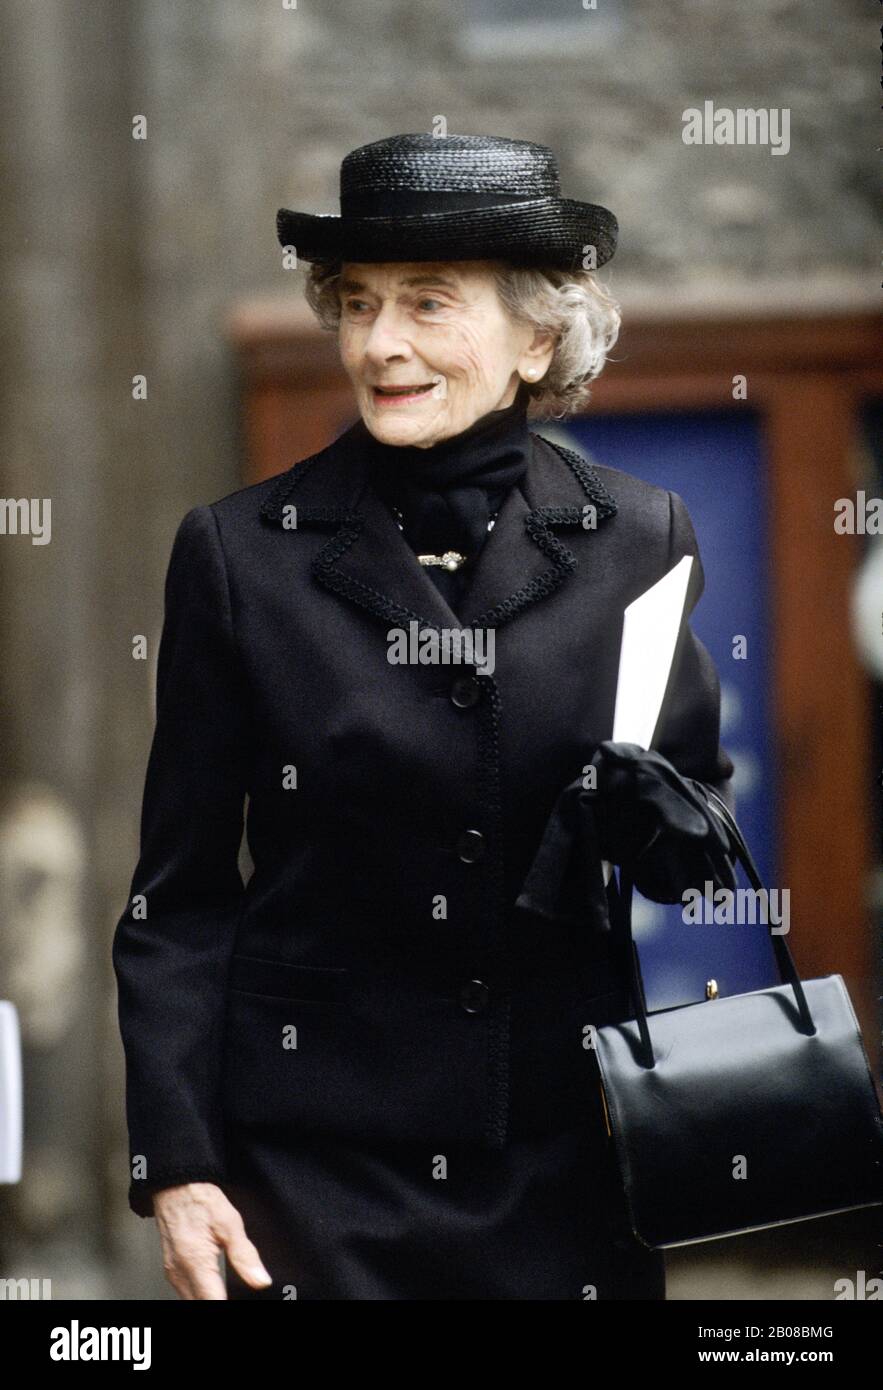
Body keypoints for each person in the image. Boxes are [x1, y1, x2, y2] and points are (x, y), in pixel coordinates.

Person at [112, 132, 736, 1300]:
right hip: (310, 1180)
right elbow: (178, 899)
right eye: (358, 304)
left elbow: (686, 847)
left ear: (536, 337)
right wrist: (178, 1164)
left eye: (428, 304)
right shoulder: (242, 556)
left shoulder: (639, 538)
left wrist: (657, 816)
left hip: (566, 1173)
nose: (380, 343)